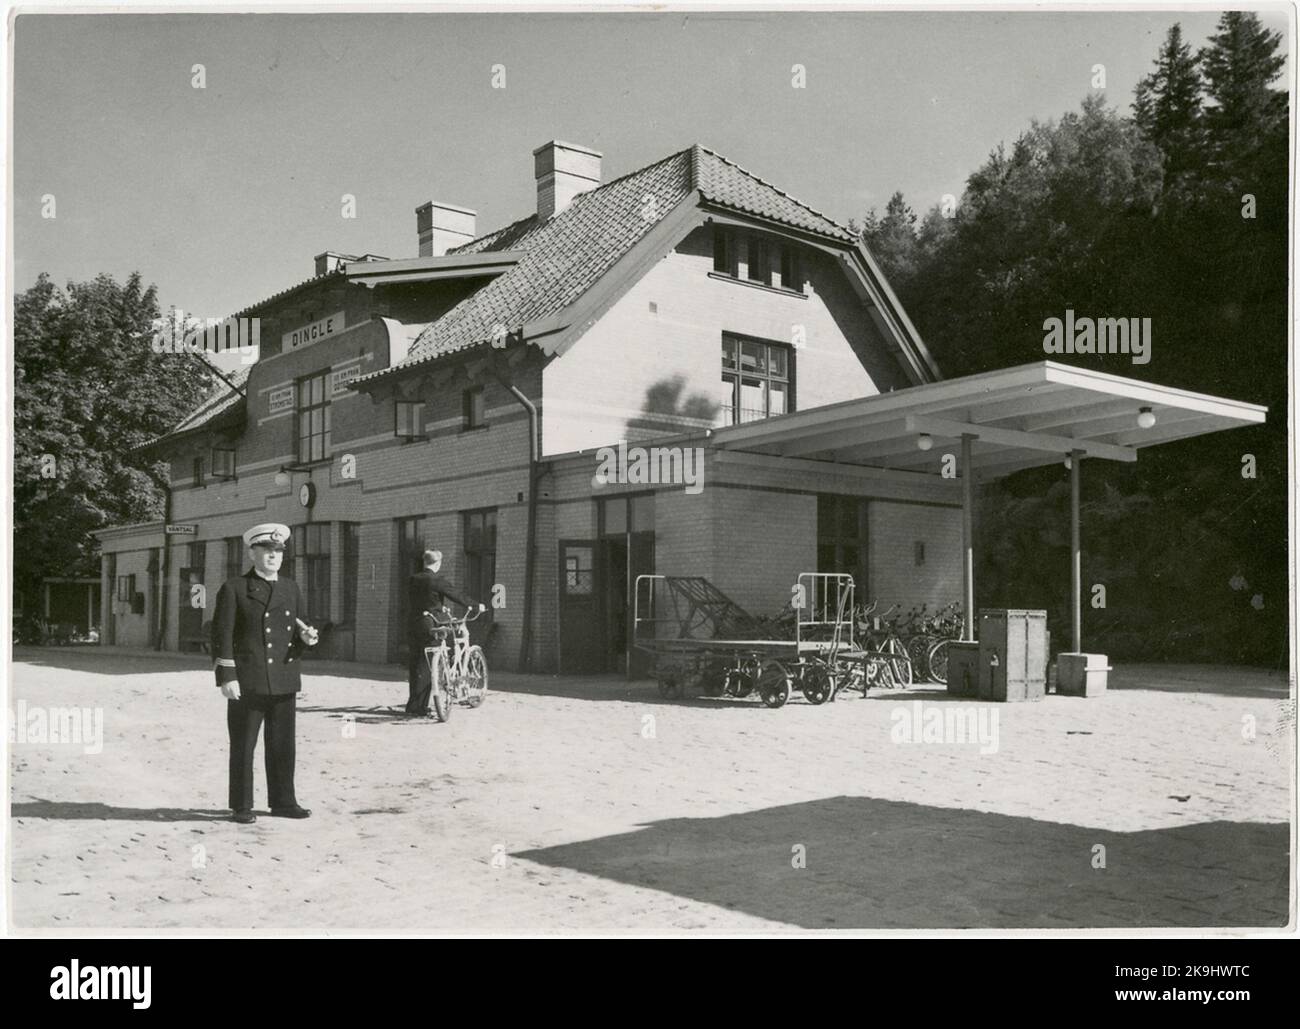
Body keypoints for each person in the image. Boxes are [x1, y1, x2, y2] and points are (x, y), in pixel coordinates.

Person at [212, 523, 318, 824]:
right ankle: (241, 805)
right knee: (244, 744)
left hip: (284, 676)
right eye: (266, 551)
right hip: (249, 679)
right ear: (252, 553)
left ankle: (284, 801)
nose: (273, 557)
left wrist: (308, 638)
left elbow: (300, 628)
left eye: (278, 552)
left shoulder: (290, 587)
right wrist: (227, 676)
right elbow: (222, 635)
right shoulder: (234, 588)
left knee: (283, 743)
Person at [406, 549, 474, 716]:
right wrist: (475, 604)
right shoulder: (437, 580)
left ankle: (413, 705)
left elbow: (422, 600)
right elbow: (456, 595)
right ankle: (421, 707)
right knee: (429, 665)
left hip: (414, 624)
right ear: (438, 563)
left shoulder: (413, 578)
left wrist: (437, 606)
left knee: (416, 665)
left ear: (425, 562)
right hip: (430, 625)